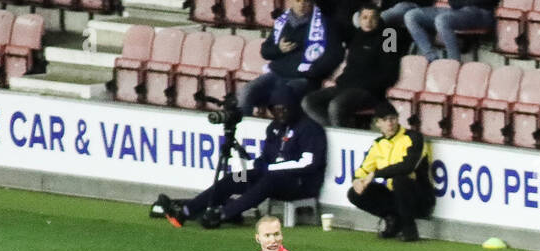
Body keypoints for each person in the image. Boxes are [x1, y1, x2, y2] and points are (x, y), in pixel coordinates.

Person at [154, 88, 327, 230]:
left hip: (297, 183)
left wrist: (270, 168)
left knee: (267, 181)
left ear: (293, 107)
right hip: (268, 175)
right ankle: (186, 210)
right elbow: (266, 156)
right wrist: (260, 164)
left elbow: (308, 164)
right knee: (235, 177)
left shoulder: (310, 129)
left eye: (283, 109)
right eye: (275, 110)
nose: (279, 113)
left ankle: (222, 215)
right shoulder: (274, 128)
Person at [301, 3, 401, 130]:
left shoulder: (389, 34)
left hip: (369, 91)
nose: (368, 22)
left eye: (373, 18)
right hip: (345, 86)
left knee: (336, 105)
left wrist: (369, 85)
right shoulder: (357, 34)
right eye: (365, 18)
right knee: (308, 102)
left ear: (379, 18)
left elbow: (390, 72)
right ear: (359, 20)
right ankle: (333, 133)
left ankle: (339, 138)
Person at [347, 102, 435, 242]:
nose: (390, 123)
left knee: (399, 180)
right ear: (377, 123)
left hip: (419, 196)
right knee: (354, 193)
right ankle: (393, 219)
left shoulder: (413, 138)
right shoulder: (378, 145)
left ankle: (409, 229)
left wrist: (375, 174)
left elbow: (407, 166)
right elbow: (363, 169)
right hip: (396, 196)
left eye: (392, 119)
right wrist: (357, 180)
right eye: (385, 120)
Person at [239, 0, 343, 114]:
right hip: (276, 74)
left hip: (303, 78)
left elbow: (335, 55)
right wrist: (279, 49)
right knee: (246, 92)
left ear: (312, 3)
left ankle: (282, 130)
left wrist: (312, 71)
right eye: (298, 0)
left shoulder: (326, 24)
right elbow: (265, 52)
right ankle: (241, 128)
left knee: (282, 96)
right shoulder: (282, 22)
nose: (302, 4)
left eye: (306, 1)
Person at [404, 0, 497, 62]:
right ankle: (432, 59)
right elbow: (453, 3)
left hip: (481, 12)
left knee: (442, 20)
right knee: (411, 16)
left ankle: (453, 63)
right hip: (458, 10)